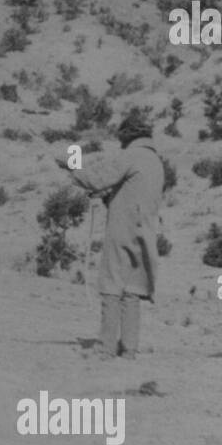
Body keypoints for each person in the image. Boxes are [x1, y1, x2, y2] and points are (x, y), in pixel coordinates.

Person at [65, 111, 164, 358]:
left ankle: (106, 348)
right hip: (146, 231)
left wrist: (72, 167)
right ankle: (129, 349)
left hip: (123, 229)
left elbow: (96, 179)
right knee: (133, 289)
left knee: (111, 285)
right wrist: (110, 198)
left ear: (127, 135)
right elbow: (134, 193)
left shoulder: (130, 155)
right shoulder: (155, 161)